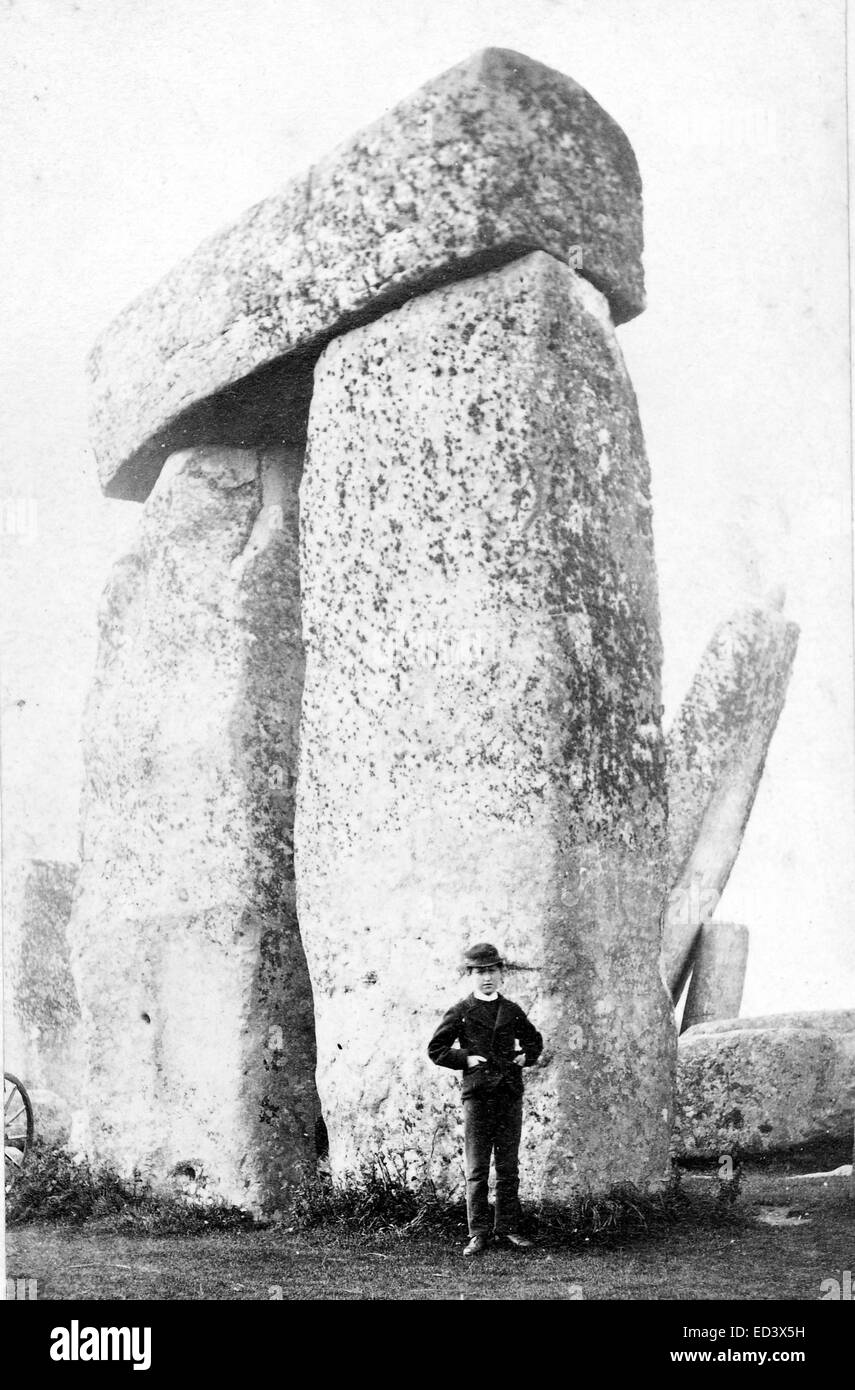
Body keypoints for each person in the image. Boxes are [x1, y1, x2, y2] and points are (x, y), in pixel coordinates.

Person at [427, 942, 544, 1256]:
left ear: (501, 973)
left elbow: (534, 1042)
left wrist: (526, 1058)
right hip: (478, 1097)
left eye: (492, 970)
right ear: (470, 974)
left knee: (508, 1167)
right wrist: (466, 1059)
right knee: (477, 1168)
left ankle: (509, 1228)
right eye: (480, 972)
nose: (487, 977)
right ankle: (478, 1233)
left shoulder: (511, 1010)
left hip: (508, 1094)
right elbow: (436, 1050)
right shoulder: (461, 1010)